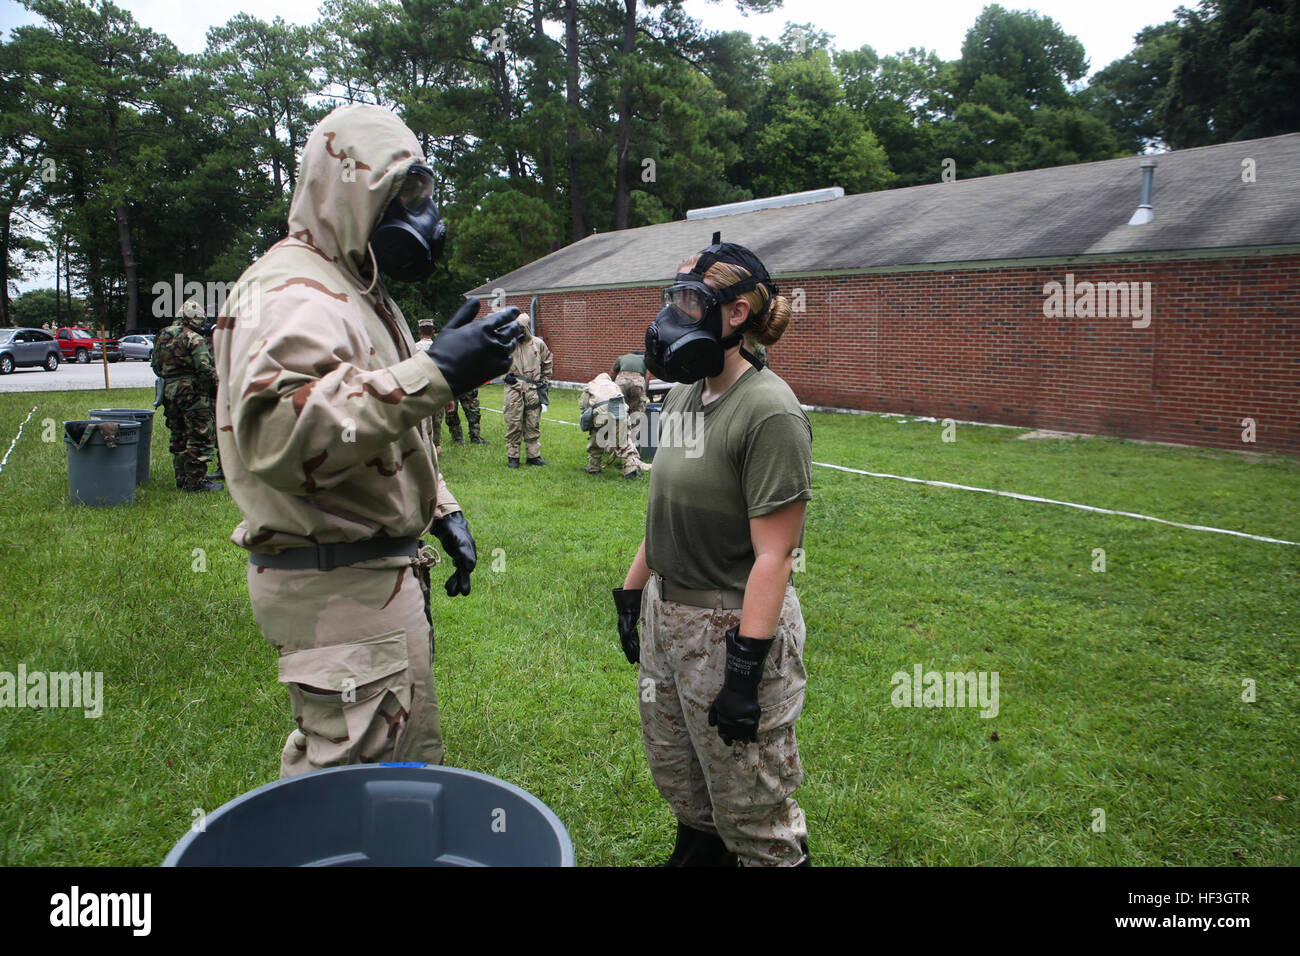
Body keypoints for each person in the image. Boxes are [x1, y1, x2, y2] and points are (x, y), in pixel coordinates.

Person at [213, 103, 523, 777]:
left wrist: (439, 509)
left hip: (370, 576)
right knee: (357, 789)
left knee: (389, 770)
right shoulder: (292, 291)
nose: (419, 213)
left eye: (420, 192)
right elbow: (278, 435)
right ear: (349, 185)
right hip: (339, 589)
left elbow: (380, 413)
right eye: (401, 192)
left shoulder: (352, 286)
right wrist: (437, 370)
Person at [614, 238, 811, 867]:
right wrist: (631, 590)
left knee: (753, 808)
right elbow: (667, 506)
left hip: (728, 631)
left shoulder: (771, 411)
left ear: (737, 313)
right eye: (674, 298)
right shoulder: (679, 397)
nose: (675, 313)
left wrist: (745, 673)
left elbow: (774, 556)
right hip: (665, 618)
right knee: (685, 785)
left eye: (691, 300)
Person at [151, 299, 221, 492]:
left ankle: (181, 477)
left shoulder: (162, 336)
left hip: (169, 391)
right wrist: (217, 389)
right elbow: (205, 369)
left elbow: (156, 366)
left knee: (178, 434)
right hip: (192, 392)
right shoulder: (194, 338)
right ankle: (196, 481)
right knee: (200, 434)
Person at [502, 312, 552, 467]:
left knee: (533, 422)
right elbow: (495, 361)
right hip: (514, 388)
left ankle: (533, 456)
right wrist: (505, 375)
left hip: (533, 389)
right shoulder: (507, 345)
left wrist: (544, 381)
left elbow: (547, 361)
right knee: (514, 421)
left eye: (522, 329)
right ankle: (513, 457)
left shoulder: (538, 344)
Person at [579, 371, 644, 478]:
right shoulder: (614, 385)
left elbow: (582, 405)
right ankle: (630, 470)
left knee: (597, 441)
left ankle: (594, 468)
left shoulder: (592, 385)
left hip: (601, 413)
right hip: (620, 410)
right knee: (624, 441)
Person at [612, 350, 649, 416]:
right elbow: (647, 376)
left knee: (620, 407)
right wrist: (645, 392)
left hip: (622, 381)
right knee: (637, 409)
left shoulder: (622, 357)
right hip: (637, 382)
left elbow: (613, 374)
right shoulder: (645, 359)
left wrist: (611, 387)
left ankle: (621, 423)